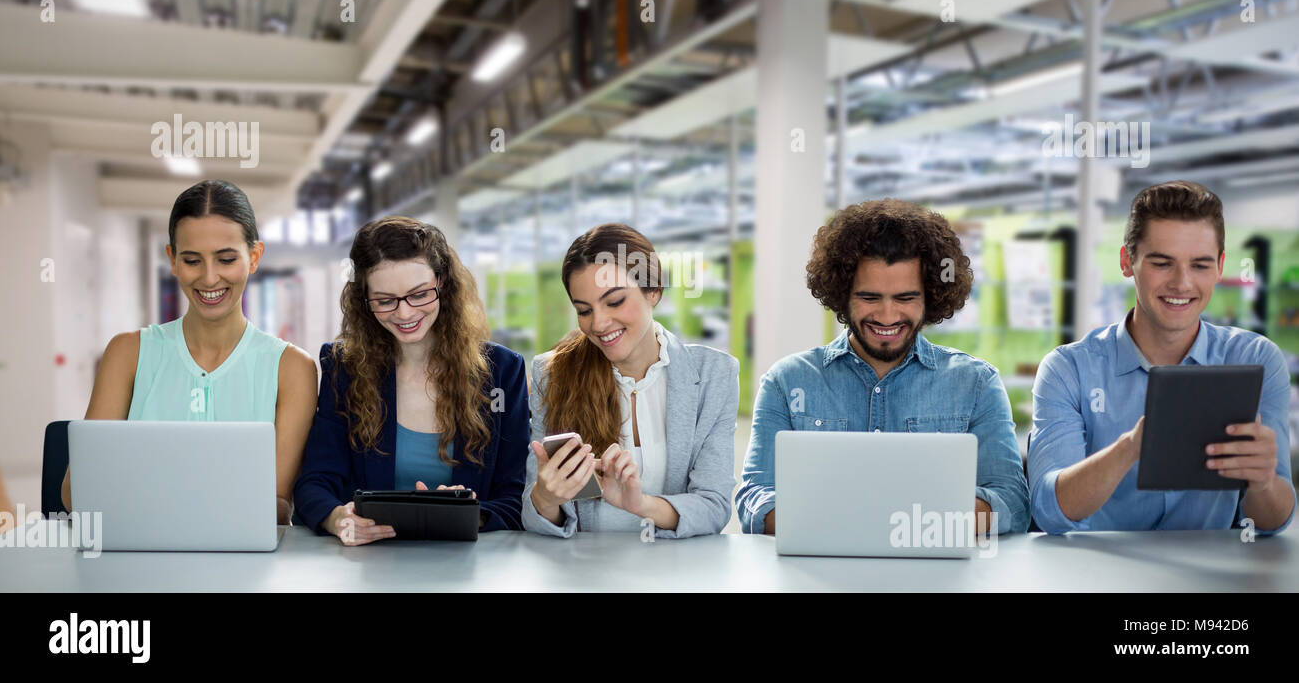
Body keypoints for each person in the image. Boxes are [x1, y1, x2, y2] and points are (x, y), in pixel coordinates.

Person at [736, 199, 1029, 536]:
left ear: (930, 296)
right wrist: (903, 514)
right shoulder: (786, 382)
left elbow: (1013, 505)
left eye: (905, 298)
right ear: (842, 294)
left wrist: (862, 516)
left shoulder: (976, 384)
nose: (887, 317)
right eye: (870, 298)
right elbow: (754, 503)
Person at [1028, 181, 1295, 534]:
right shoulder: (1068, 369)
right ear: (1127, 262)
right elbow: (1049, 512)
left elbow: (1271, 524)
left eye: (1200, 265)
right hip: (1100, 577)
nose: (1182, 283)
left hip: (1213, 580)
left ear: (1220, 267)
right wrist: (1132, 447)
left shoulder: (1256, 359)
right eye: (1162, 263)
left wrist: (1262, 483)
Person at [59, 180, 317, 525]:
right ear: (173, 260)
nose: (209, 278)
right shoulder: (128, 353)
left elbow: (275, 505)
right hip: (135, 557)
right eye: (192, 260)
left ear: (254, 257)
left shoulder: (292, 368)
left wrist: (151, 497)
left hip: (244, 569)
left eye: (226, 259)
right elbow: (79, 492)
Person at [293, 216, 528, 544]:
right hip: (368, 565)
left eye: (419, 295)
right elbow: (314, 482)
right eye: (385, 300)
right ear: (364, 299)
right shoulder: (343, 366)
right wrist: (336, 518)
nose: (404, 314)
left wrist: (470, 513)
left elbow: (516, 498)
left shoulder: (502, 371)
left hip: (471, 569)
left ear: (442, 281)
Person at [522, 224, 739, 538]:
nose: (598, 323)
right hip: (585, 574)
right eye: (584, 310)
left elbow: (714, 505)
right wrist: (546, 497)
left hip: (678, 572)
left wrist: (641, 504)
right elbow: (533, 515)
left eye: (614, 302)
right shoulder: (553, 373)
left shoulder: (713, 374)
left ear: (653, 291)